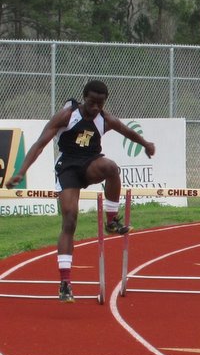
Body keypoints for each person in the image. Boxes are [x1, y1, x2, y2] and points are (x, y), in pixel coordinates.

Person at [3, 80, 155, 302]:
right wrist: (21, 171)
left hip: (90, 163)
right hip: (68, 167)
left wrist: (145, 144)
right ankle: (65, 282)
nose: (95, 108)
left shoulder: (105, 118)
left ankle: (111, 220)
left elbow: (127, 131)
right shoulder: (67, 116)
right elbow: (39, 144)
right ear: (84, 98)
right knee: (70, 219)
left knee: (112, 168)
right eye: (92, 102)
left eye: (100, 104)